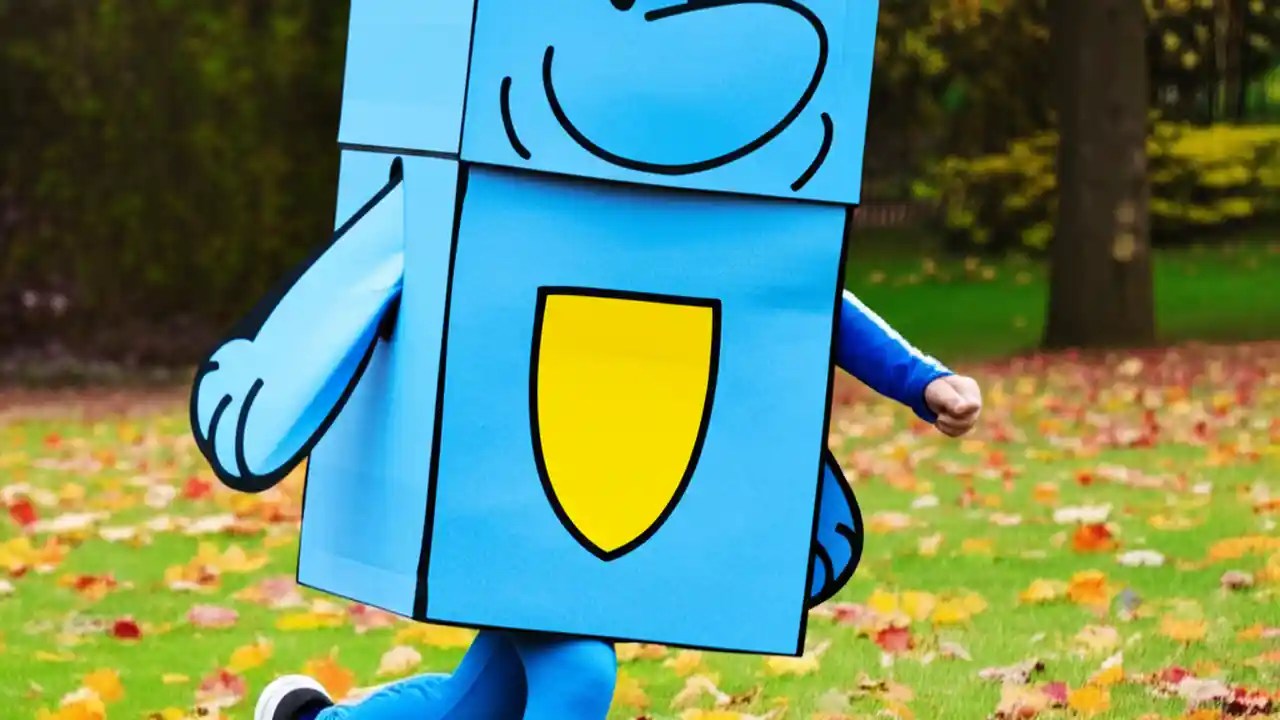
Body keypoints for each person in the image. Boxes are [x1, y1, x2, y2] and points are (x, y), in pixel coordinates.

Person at [252, 288, 983, 720]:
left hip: (626, 476)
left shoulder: (714, 202)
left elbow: (799, 282)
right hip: (506, 468)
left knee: (484, 701)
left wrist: (919, 378)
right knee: (577, 670)